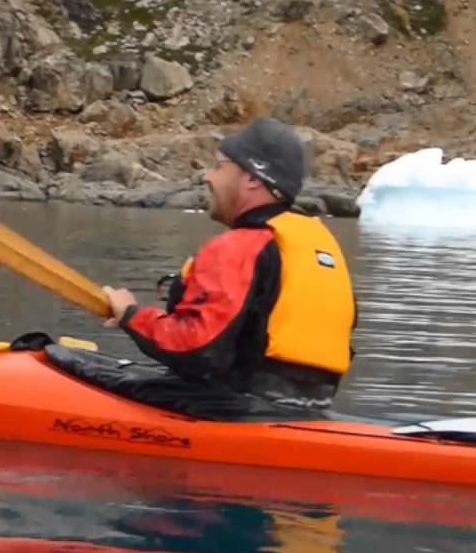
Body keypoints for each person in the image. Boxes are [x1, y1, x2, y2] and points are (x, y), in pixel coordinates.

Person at [102, 117, 357, 409]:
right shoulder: (320, 245)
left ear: (252, 178)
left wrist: (131, 316)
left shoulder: (241, 246)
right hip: (307, 408)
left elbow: (197, 349)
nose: (207, 177)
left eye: (219, 166)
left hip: (234, 409)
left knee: (62, 359)